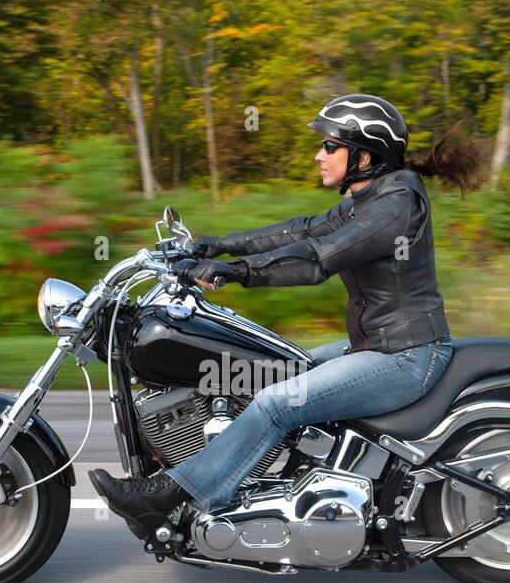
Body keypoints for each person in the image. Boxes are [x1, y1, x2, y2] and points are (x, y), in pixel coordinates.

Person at [90, 93, 486, 535]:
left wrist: (234, 272)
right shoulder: (371, 196)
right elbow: (301, 230)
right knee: (272, 371)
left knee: (276, 401)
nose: (319, 154)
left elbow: (316, 259)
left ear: (365, 153)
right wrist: (217, 244)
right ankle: (267, 485)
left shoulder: (395, 204)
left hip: (405, 356)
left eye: (331, 146)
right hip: (376, 345)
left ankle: (170, 497)